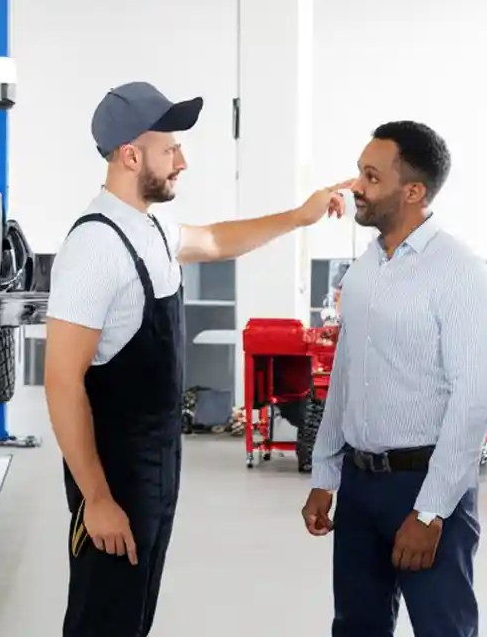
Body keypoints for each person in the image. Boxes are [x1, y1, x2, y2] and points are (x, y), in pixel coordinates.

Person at [44, 80, 351, 637]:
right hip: (116, 477)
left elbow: (214, 240)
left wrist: (299, 218)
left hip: (156, 468)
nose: (183, 160)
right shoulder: (94, 249)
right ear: (130, 155)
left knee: (131, 616)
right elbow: (62, 383)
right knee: (102, 619)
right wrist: (97, 498)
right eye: (170, 149)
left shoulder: (151, 226)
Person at [301, 121, 487, 637]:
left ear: (413, 191)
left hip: (425, 483)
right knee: (355, 626)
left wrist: (431, 513)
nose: (356, 188)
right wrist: (326, 474)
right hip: (359, 483)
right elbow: (346, 377)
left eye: (371, 176)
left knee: (442, 628)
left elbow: (474, 402)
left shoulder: (459, 272)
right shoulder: (366, 268)